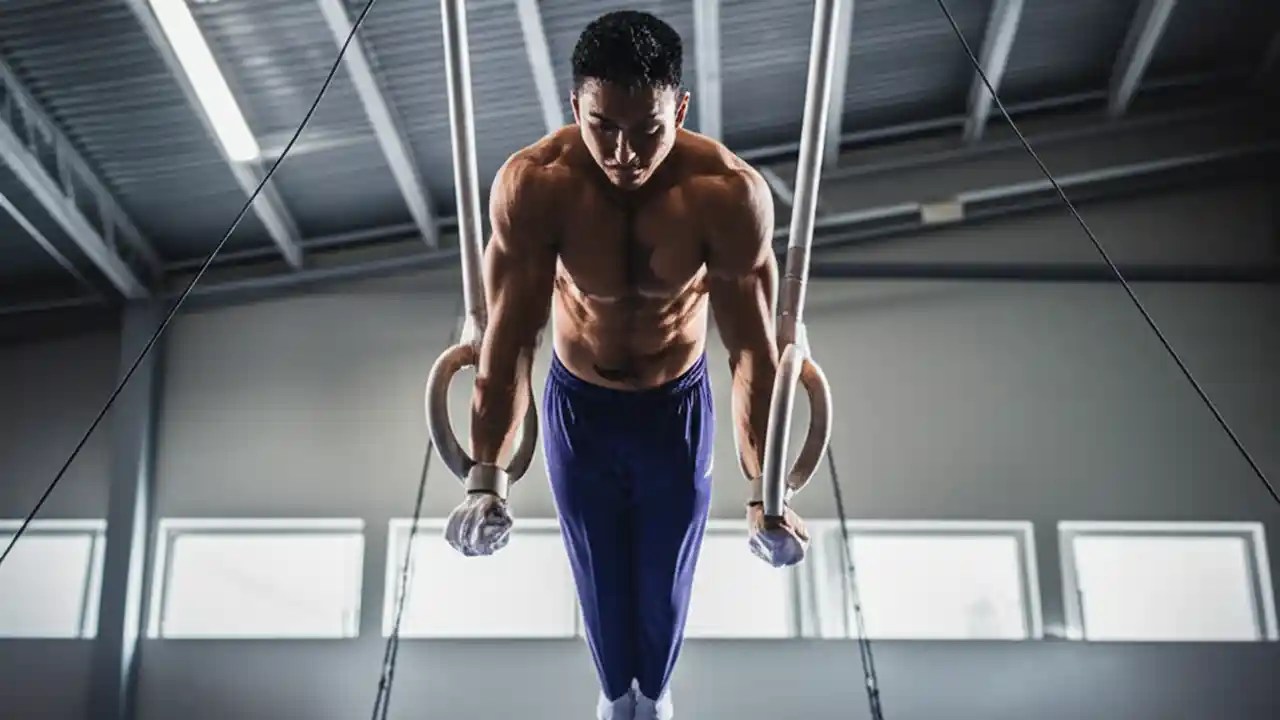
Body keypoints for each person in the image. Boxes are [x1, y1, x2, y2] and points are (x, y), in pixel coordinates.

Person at [445, 10, 809, 719]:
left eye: (648, 131)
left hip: (678, 406)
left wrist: (769, 494)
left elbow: (752, 355)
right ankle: (619, 700)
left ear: (680, 108)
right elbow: (511, 340)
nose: (624, 152)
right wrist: (486, 478)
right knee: (601, 583)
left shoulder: (727, 194)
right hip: (579, 404)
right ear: (572, 105)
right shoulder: (536, 185)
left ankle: (654, 696)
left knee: (665, 583)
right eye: (601, 126)